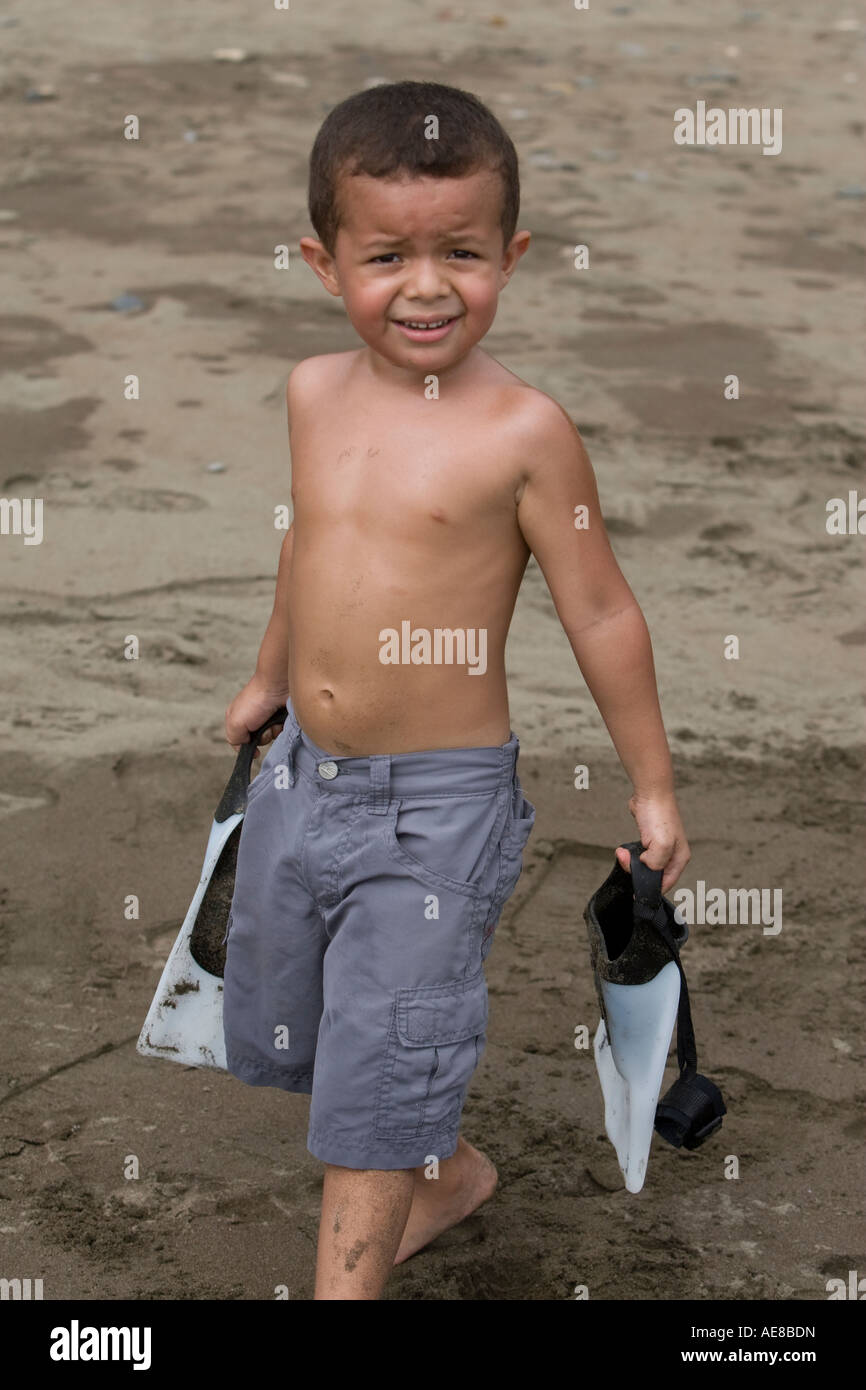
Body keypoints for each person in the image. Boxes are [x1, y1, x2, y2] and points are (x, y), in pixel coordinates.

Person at [222, 80, 690, 1300]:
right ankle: (447, 1175)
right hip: (305, 773)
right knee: (302, 1026)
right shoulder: (311, 394)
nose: (427, 286)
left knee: (383, 1055)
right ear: (325, 263)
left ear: (511, 255)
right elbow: (306, 544)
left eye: (462, 253)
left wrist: (651, 785)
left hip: (437, 806)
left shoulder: (524, 433)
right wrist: (270, 676)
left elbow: (597, 607)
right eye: (388, 256)